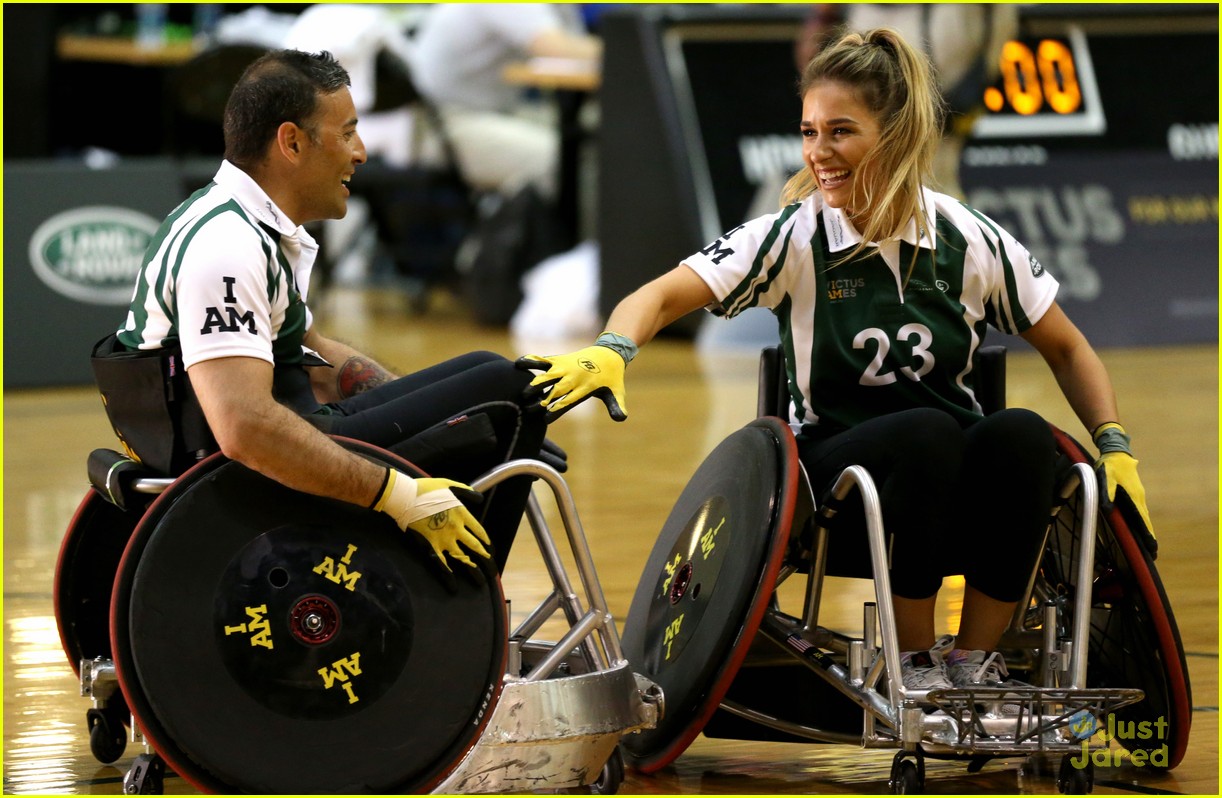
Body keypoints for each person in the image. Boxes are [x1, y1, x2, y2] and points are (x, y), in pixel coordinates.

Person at [518, 28, 1154, 700]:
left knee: (1021, 433)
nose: (819, 152)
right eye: (809, 131)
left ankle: (972, 660)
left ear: (898, 134)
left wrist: (1114, 444)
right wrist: (614, 347)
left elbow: (1068, 346)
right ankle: (912, 661)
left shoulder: (968, 238)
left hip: (950, 483)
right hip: (834, 483)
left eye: (840, 131)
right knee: (925, 433)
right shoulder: (795, 234)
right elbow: (660, 294)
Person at [102, 49, 548, 572]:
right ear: (291, 142)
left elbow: (316, 355)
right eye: (347, 133)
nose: (360, 152)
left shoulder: (245, 222)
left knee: (486, 376)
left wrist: (439, 419)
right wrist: (396, 493)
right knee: (507, 389)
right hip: (241, 473)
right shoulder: (226, 245)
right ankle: (464, 597)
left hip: (287, 430)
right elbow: (244, 428)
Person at [795, 4, 1018, 200]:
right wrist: (823, 15)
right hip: (871, 12)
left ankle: (935, 237)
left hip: (946, 15)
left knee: (930, 169)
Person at [409, 3, 601, 199]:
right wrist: (625, 46)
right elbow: (556, 47)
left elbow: (579, 52)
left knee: (596, 133)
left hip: (488, 113)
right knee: (572, 160)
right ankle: (560, 229)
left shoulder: (561, 7)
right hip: (439, 125)